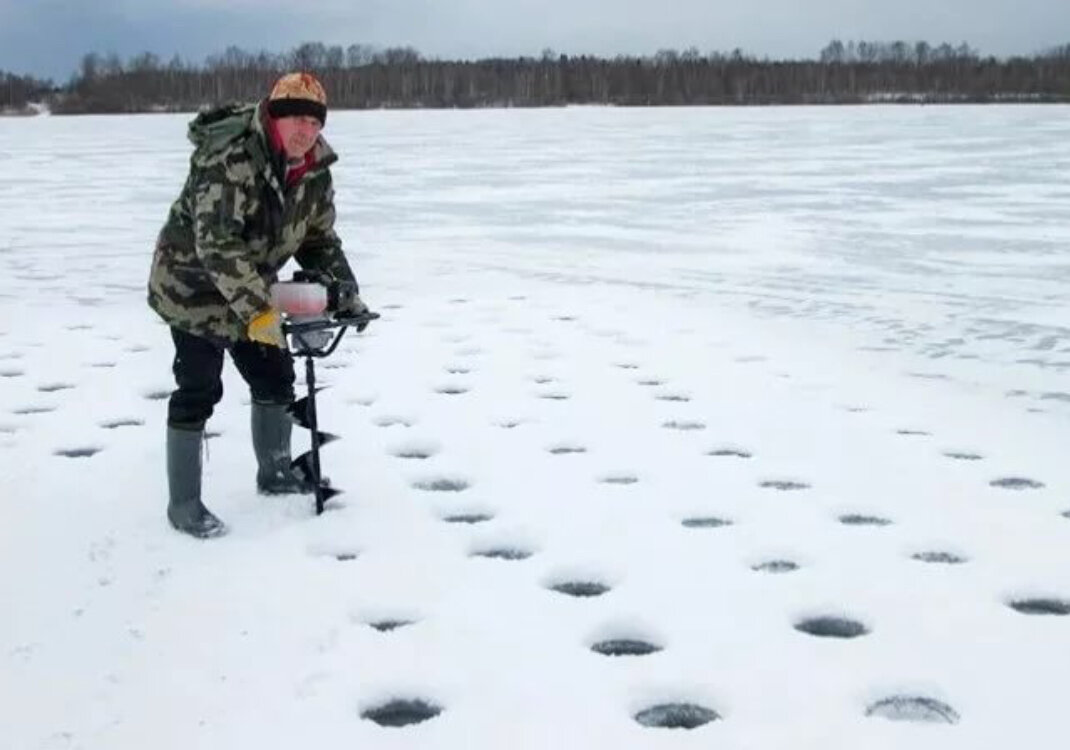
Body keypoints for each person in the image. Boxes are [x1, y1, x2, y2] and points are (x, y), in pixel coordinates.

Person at [147, 72, 367, 539]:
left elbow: (319, 239)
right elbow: (218, 244)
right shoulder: (229, 158)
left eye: (314, 121)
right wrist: (259, 313)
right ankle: (183, 505)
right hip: (194, 288)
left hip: (250, 286)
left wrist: (346, 290)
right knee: (198, 389)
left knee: (275, 377)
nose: (305, 131)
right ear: (273, 116)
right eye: (295, 120)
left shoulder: (313, 170)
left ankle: (275, 472)